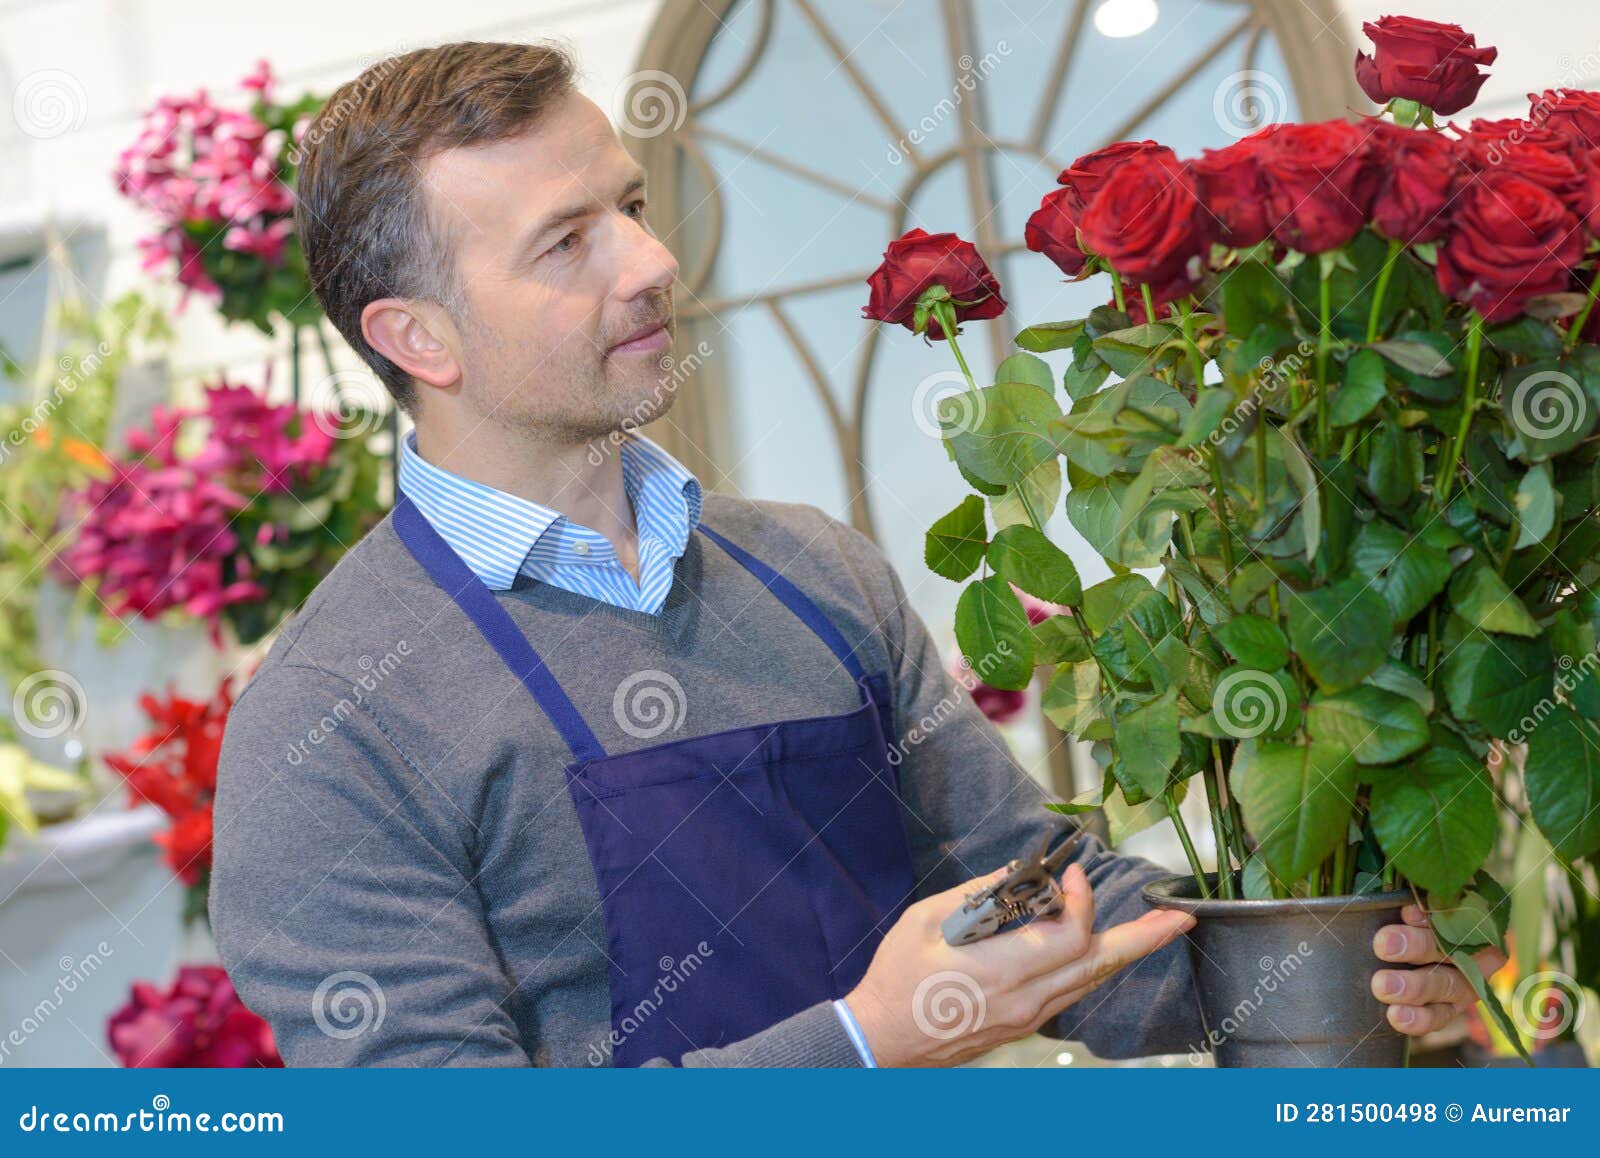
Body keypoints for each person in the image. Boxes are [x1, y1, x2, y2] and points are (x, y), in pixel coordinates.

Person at [210, 40, 1499, 1067]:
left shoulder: (816, 575)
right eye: (568, 242)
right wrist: (866, 1045)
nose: (653, 261)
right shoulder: (328, 725)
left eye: (634, 207)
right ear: (418, 339)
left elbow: (1038, 896)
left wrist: (1344, 979)